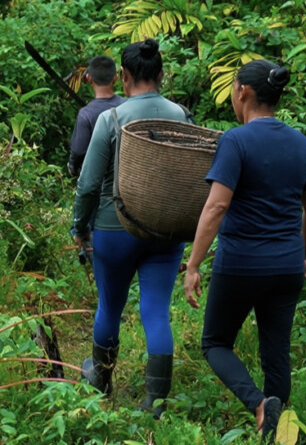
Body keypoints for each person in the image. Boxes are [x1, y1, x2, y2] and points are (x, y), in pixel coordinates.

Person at [183, 60, 306, 441]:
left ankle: (260, 406)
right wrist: (303, 253)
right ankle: (279, 433)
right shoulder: (300, 142)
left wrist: (193, 264)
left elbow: (216, 206)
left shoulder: (236, 140)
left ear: (243, 91)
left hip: (242, 263)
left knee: (215, 342)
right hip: (288, 265)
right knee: (276, 353)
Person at [71, 39, 191, 417]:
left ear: (123, 76)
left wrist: (79, 226)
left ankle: (102, 381)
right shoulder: (181, 116)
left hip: (114, 229)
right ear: (162, 75)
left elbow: (88, 184)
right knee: (155, 310)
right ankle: (155, 402)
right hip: (165, 231)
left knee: (110, 303)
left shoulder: (111, 119)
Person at [68, 55, 125, 178]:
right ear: (115, 78)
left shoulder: (86, 114)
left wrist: (73, 167)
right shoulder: (128, 106)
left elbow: (78, 151)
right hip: (128, 177)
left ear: (88, 78)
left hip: (100, 180)